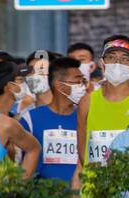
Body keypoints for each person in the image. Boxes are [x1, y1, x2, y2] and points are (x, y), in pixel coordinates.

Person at [20, 56, 87, 185]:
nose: (83, 86)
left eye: (83, 81)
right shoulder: (30, 119)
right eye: (78, 81)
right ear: (60, 86)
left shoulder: (86, 117)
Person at [77, 34, 129, 169]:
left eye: (124, 59)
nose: (117, 63)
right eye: (111, 58)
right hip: (96, 185)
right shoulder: (87, 101)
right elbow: (82, 149)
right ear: (102, 63)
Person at [0, 61, 41, 178]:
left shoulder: (9, 123)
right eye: (20, 80)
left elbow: (34, 149)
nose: (25, 84)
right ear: (10, 86)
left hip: (0, 195)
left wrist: (18, 190)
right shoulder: (5, 123)